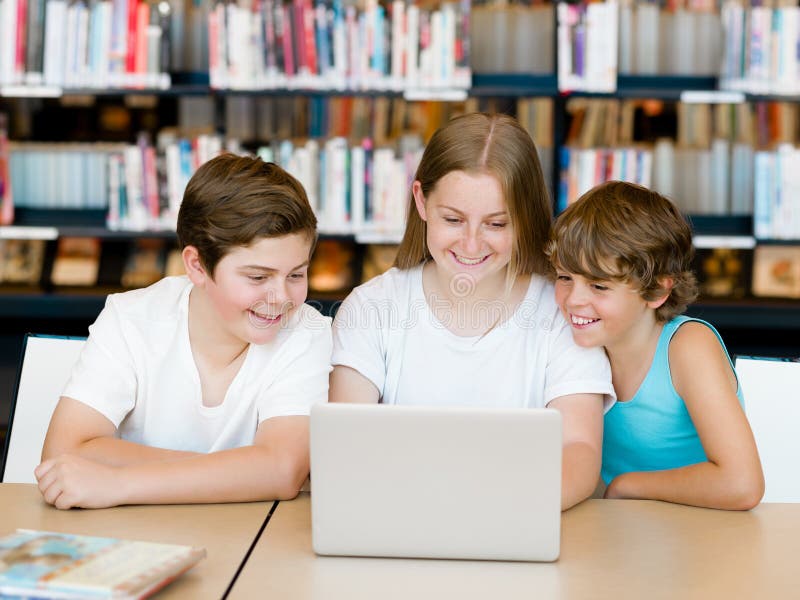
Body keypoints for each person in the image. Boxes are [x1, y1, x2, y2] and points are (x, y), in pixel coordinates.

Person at [330, 113, 615, 511]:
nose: (470, 244)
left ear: (525, 218)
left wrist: (496, 513)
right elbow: (348, 450)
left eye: (496, 224)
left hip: (518, 527)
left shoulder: (562, 313)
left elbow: (579, 450)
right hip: (400, 529)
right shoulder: (373, 308)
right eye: (453, 219)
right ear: (420, 201)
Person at [35, 154, 332, 509]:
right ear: (197, 265)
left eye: (296, 275)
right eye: (257, 277)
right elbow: (65, 452)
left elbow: (283, 470)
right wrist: (246, 473)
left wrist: (119, 482)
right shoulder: (130, 319)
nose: (282, 297)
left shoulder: (307, 333)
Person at [547, 180, 764, 510]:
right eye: (565, 278)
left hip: (703, 537)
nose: (573, 300)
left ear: (656, 291)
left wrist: (627, 486)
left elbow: (742, 484)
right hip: (619, 534)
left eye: (599, 286)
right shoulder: (574, 344)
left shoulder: (688, 348)